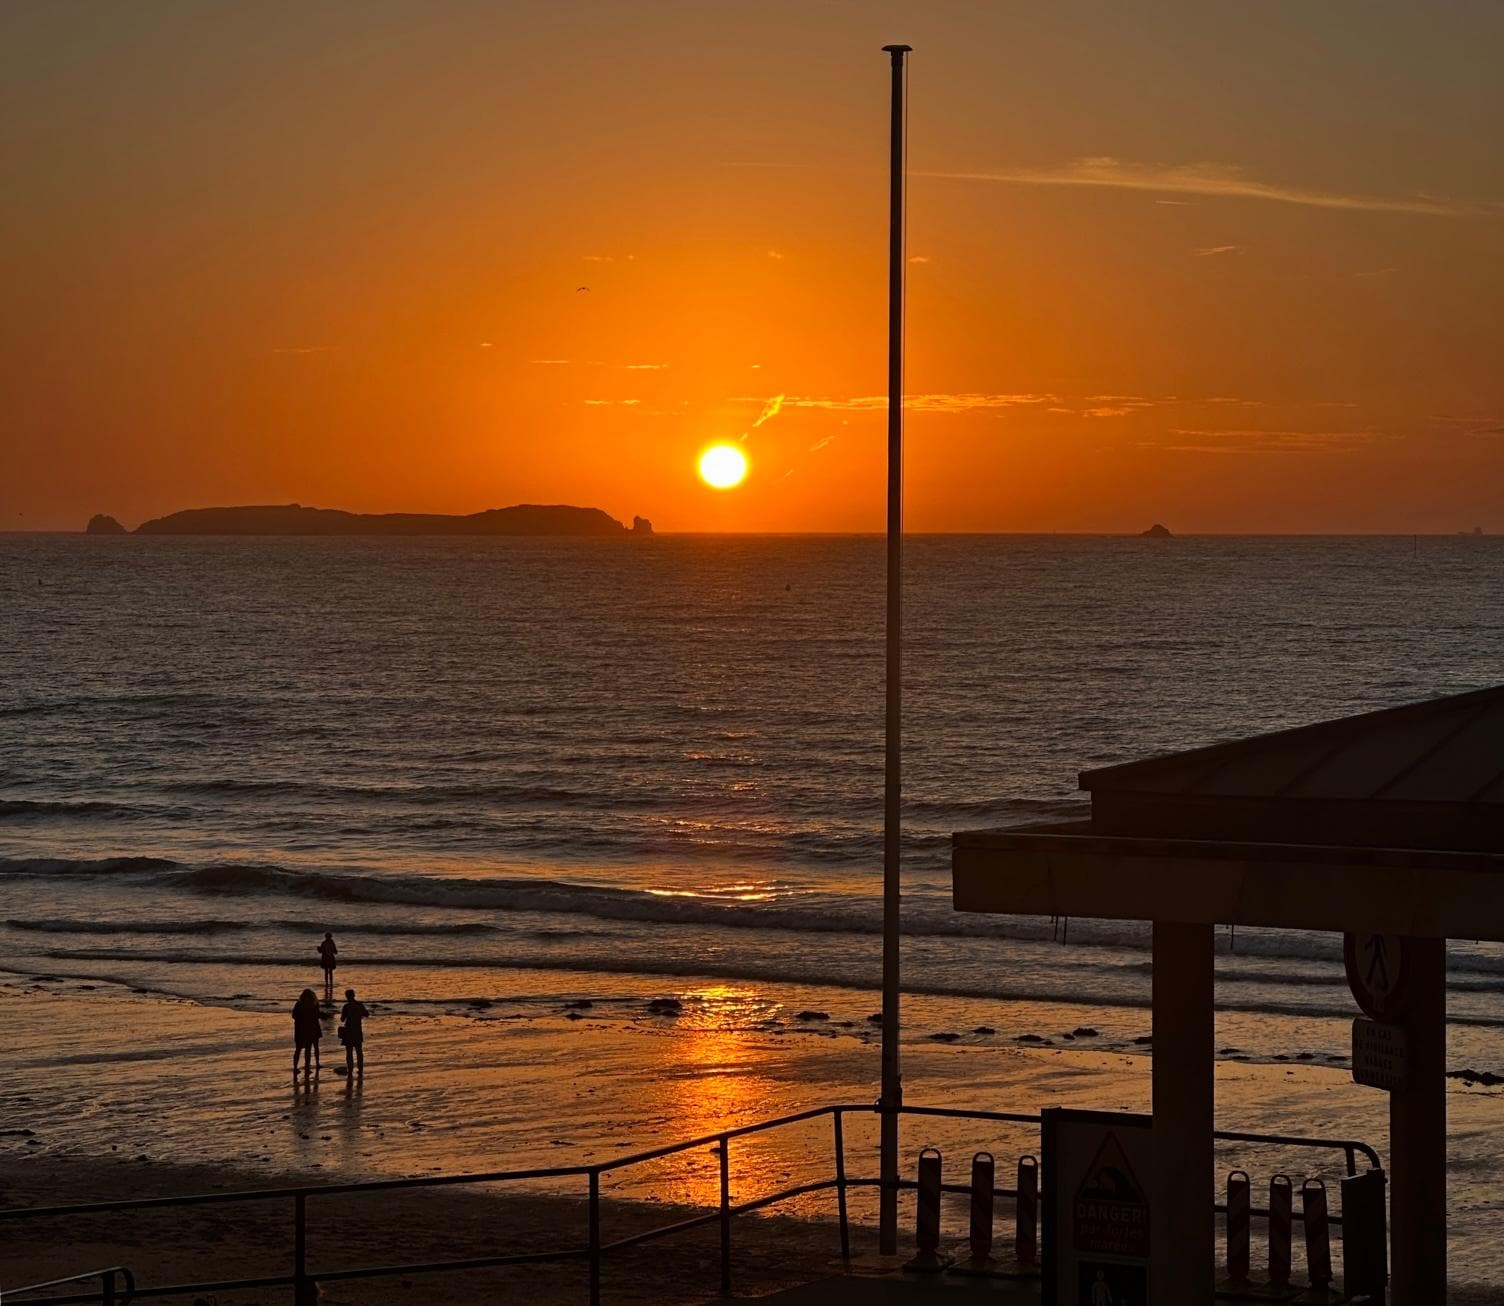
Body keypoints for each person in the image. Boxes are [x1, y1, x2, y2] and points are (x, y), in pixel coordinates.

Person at [292, 988, 322, 1076]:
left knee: (298, 1049)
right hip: (311, 1028)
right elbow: (317, 1015)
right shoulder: (314, 1004)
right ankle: (307, 1067)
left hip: (300, 1029)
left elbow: (294, 1016)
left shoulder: (299, 1004)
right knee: (308, 1049)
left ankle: (295, 1067)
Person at [339, 987, 369, 1075]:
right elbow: (366, 1014)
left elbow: (342, 1019)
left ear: (347, 997)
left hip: (348, 1030)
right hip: (357, 1030)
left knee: (349, 1052)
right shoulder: (360, 1005)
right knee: (359, 1051)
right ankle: (360, 1069)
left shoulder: (346, 1006)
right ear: (354, 995)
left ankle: (350, 1069)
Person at [317, 932, 338, 997]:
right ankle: (330, 983)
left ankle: (327, 984)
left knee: (327, 972)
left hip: (325, 958)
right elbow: (335, 951)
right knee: (329, 972)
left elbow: (321, 951)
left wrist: (319, 949)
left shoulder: (324, 943)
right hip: (330, 958)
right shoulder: (331, 943)